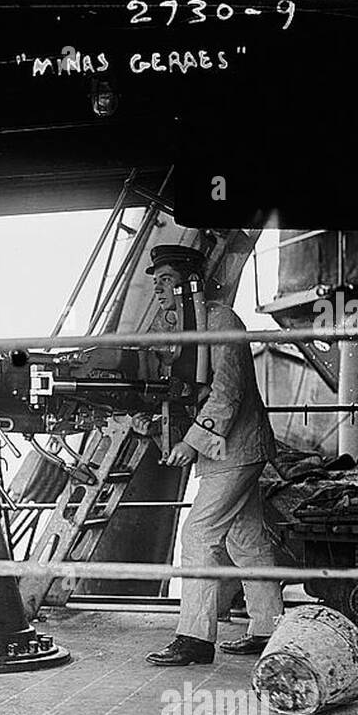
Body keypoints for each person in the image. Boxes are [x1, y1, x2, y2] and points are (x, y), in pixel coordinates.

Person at [143, 244, 284, 666]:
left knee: (198, 535)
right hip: (227, 451)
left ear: (190, 282)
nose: (160, 290)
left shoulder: (221, 321)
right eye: (156, 283)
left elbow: (227, 391)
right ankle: (268, 629)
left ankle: (195, 639)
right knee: (247, 540)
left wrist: (191, 441)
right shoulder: (188, 323)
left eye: (166, 281)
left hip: (237, 448)